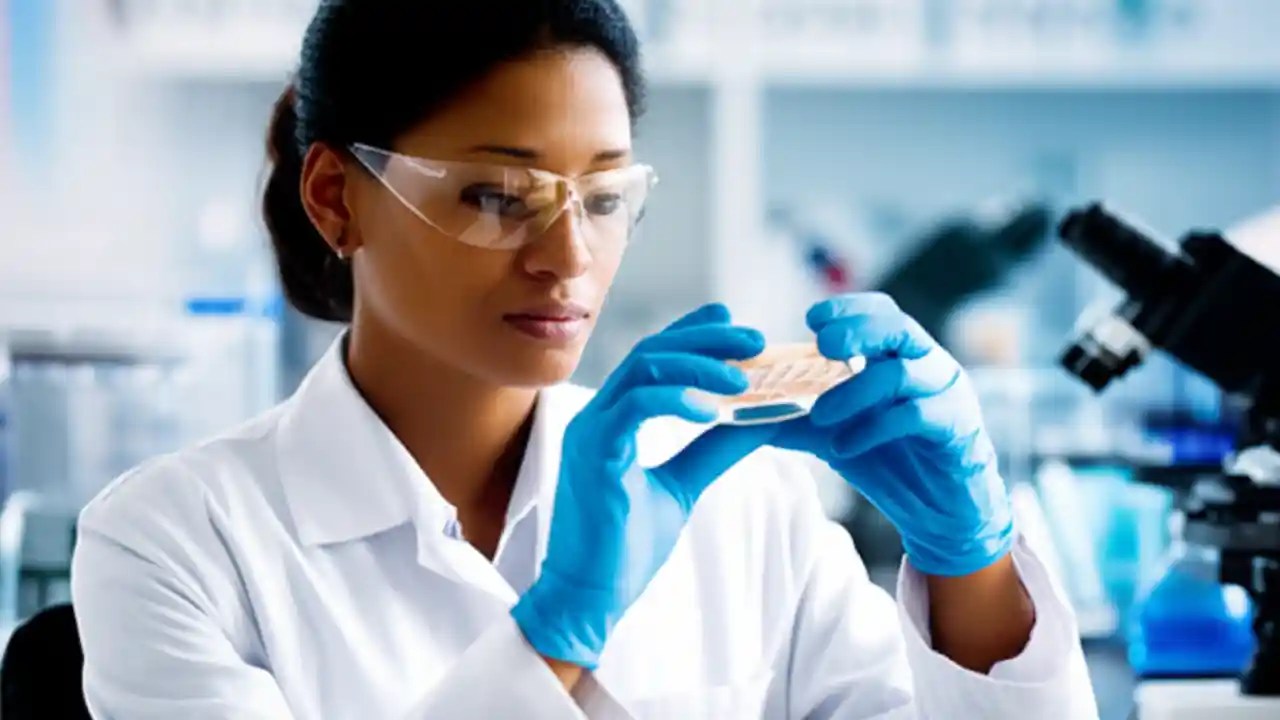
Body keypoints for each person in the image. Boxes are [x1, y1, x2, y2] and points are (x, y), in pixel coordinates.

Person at [70, 1, 1098, 718]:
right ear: (336, 197)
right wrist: (561, 627)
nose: (568, 257)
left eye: (603, 199)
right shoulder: (173, 545)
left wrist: (974, 568)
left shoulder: (745, 509)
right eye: (493, 197)